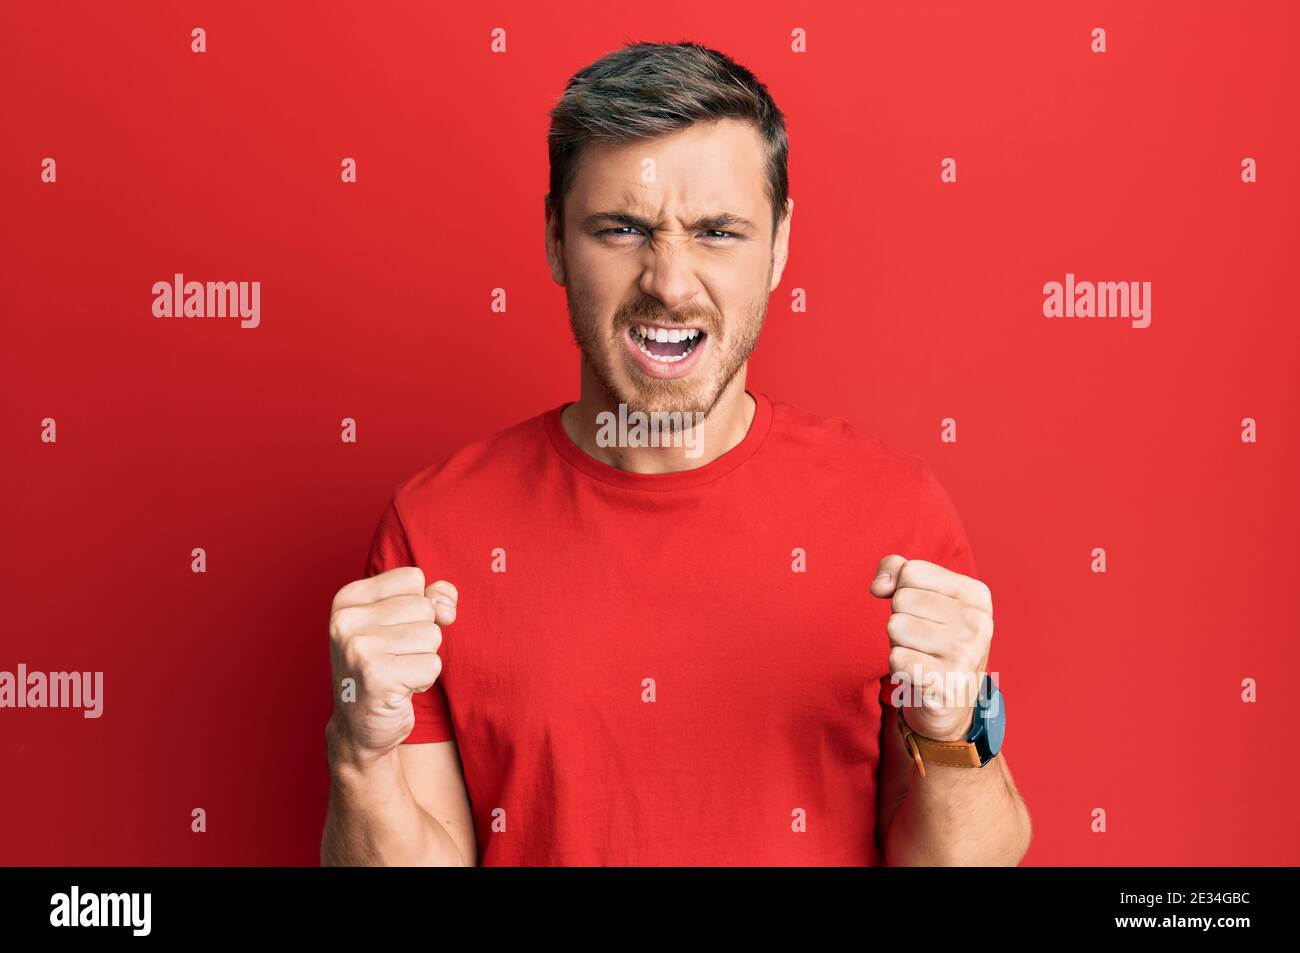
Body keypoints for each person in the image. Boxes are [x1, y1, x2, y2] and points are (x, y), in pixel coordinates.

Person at [321, 40, 1031, 866]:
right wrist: (358, 752)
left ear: (780, 246)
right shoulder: (434, 529)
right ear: (555, 239)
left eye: (718, 232)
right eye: (622, 228)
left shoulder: (896, 514)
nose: (670, 281)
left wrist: (950, 730)